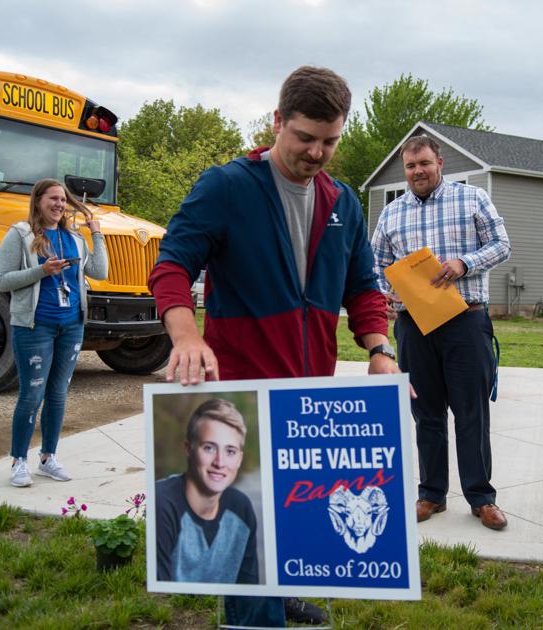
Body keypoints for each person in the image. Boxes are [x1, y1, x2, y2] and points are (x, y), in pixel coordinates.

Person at [149, 65, 401, 628]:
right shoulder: (227, 186)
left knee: (295, 514)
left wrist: (380, 347)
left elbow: (363, 287)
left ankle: (282, 591)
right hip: (243, 395)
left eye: (330, 141)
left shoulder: (344, 204)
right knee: (250, 520)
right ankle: (254, 617)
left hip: (311, 395)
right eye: (305, 138)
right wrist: (186, 335)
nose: (317, 153)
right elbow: (171, 264)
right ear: (277, 121)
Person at [371, 135, 511, 531]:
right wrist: (385, 290)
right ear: (405, 169)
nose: (418, 172)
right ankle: (431, 494)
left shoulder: (472, 200)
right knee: (426, 413)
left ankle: (481, 498)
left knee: (471, 412)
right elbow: (375, 264)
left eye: (425, 164)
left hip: (466, 319)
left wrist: (464, 263)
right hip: (413, 325)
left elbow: (502, 244)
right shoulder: (391, 214)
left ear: (440, 163)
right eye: (411, 166)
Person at [0, 178, 108, 487]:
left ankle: (48, 458)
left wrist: (96, 232)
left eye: (63, 200)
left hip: (70, 326)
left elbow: (100, 271)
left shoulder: (74, 238)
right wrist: (41, 271)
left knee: (57, 395)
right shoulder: (20, 234)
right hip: (34, 327)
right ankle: (19, 460)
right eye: (53, 198)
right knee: (31, 395)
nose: (59, 204)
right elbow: (3, 281)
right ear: (38, 201)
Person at [156, 399, 259, 584]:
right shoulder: (163, 502)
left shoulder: (241, 508)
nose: (219, 462)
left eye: (230, 451)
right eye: (209, 448)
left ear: (239, 459)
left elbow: (249, 589)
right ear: (189, 449)